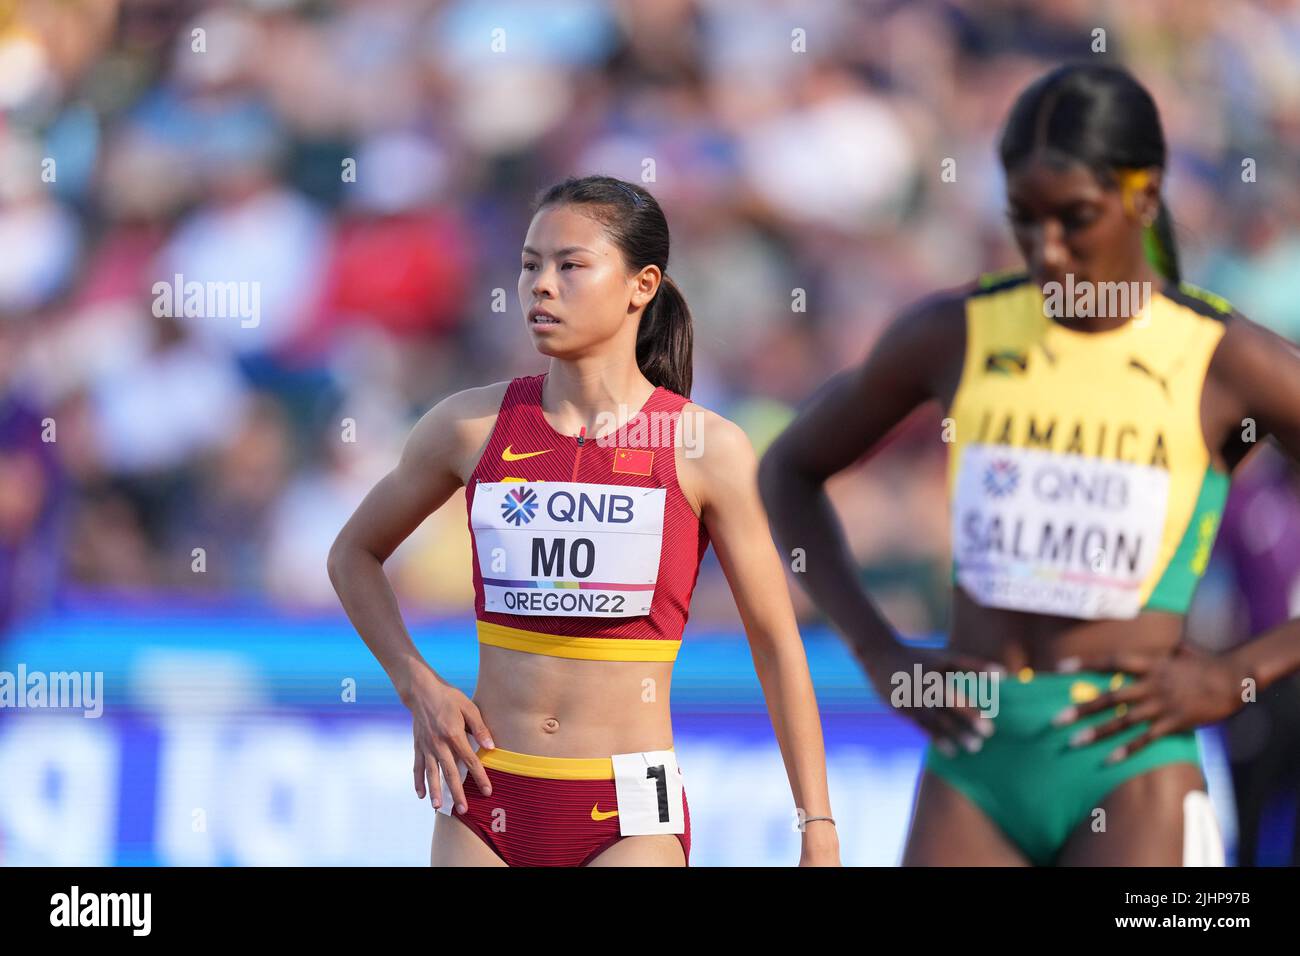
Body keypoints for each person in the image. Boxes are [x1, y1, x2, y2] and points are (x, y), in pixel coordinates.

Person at [758, 63, 1300, 866]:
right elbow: (788, 470)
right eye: (1024, 220)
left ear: (1142, 198)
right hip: (978, 753)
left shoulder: (1225, 358)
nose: (1048, 251)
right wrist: (878, 651)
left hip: (1131, 756)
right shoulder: (956, 333)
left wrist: (1243, 673)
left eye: (1075, 218)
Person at [329, 174, 839, 867]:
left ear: (642, 285)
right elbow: (352, 553)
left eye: (571, 266)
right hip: (485, 795)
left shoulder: (706, 449)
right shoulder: (467, 426)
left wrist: (818, 825)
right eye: (530, 265)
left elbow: (777, 643)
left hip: (633, 810)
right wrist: (416, 682)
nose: (541, 285)